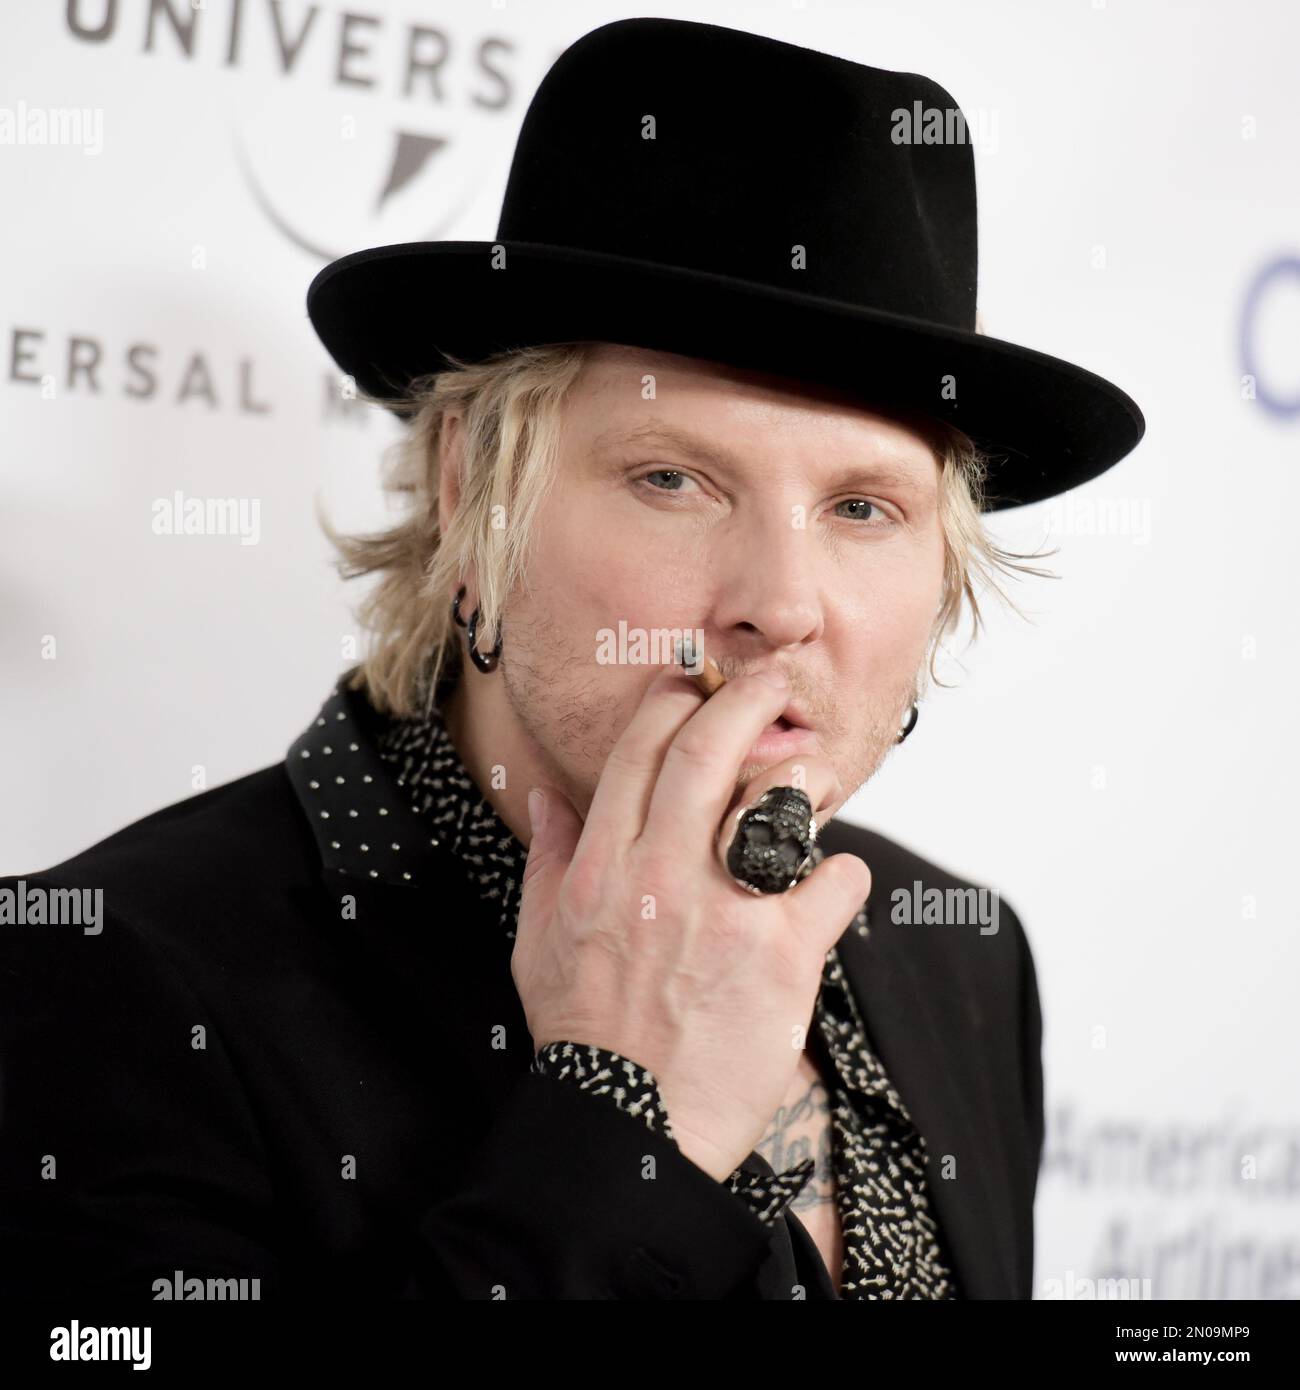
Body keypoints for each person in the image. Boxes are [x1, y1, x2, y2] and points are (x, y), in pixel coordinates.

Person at [0, 18, 1142, 1301]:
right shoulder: (113, 976)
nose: (781, 604)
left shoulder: (961, 958)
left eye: (862, 508)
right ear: (473, 495)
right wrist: (623, 1123)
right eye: (673, 478)